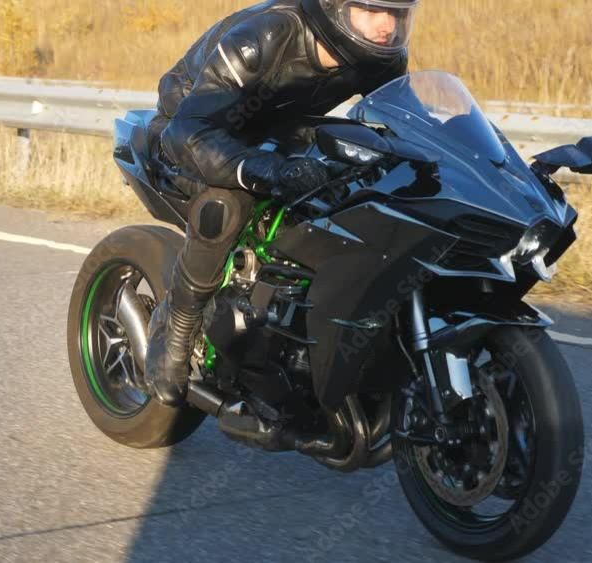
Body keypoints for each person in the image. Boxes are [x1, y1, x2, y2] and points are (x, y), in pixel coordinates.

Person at [143, 0, 419, 406]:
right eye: (372, 9)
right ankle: (177, 332)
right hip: (193, 128)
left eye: (397, 14)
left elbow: (405, 126)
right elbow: (188, 129)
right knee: (225, 206)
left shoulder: (381, 54)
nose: (387, 25)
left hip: (281, 128)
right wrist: (266, 170)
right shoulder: (266, 36)